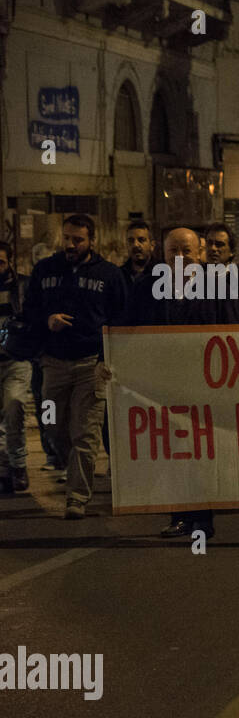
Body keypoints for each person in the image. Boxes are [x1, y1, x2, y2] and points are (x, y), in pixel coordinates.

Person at [121, 228, 225, 538]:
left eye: (186, 252)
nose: (180, 259)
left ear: (200, 253)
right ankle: (179, 515)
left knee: (201, 451)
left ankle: (203, 518)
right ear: (163, 256)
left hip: (207, 382)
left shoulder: (219, 285)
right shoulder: (146, 287)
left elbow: (234, 330)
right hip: (163, 383)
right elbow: (127, 328)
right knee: (173, 451)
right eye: (172, 254)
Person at [23, 214, 129, 519]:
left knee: (85, 432)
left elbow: (121, 318)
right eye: (67, 238)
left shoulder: (109, 275)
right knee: (53, 428)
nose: (71, 244)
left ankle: (77, 499)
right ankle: (72, 473)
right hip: (53, 365)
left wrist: (108, 360)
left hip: (90, 365)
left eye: (78, 239)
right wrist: (47, 320)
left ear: (91, 240)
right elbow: (28, 310)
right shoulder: (45, 270)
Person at [0, 241, 39, 495]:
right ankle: (6, 468)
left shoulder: (23, 286)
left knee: (14, 406)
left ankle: (18, 465)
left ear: (10, 261)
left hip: (15, 359)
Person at [119, 220, 155, 285]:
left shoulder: (162, 273)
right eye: (131, 241)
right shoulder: (119, 274)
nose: (135, 245)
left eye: (141, 240)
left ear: (152, 245)